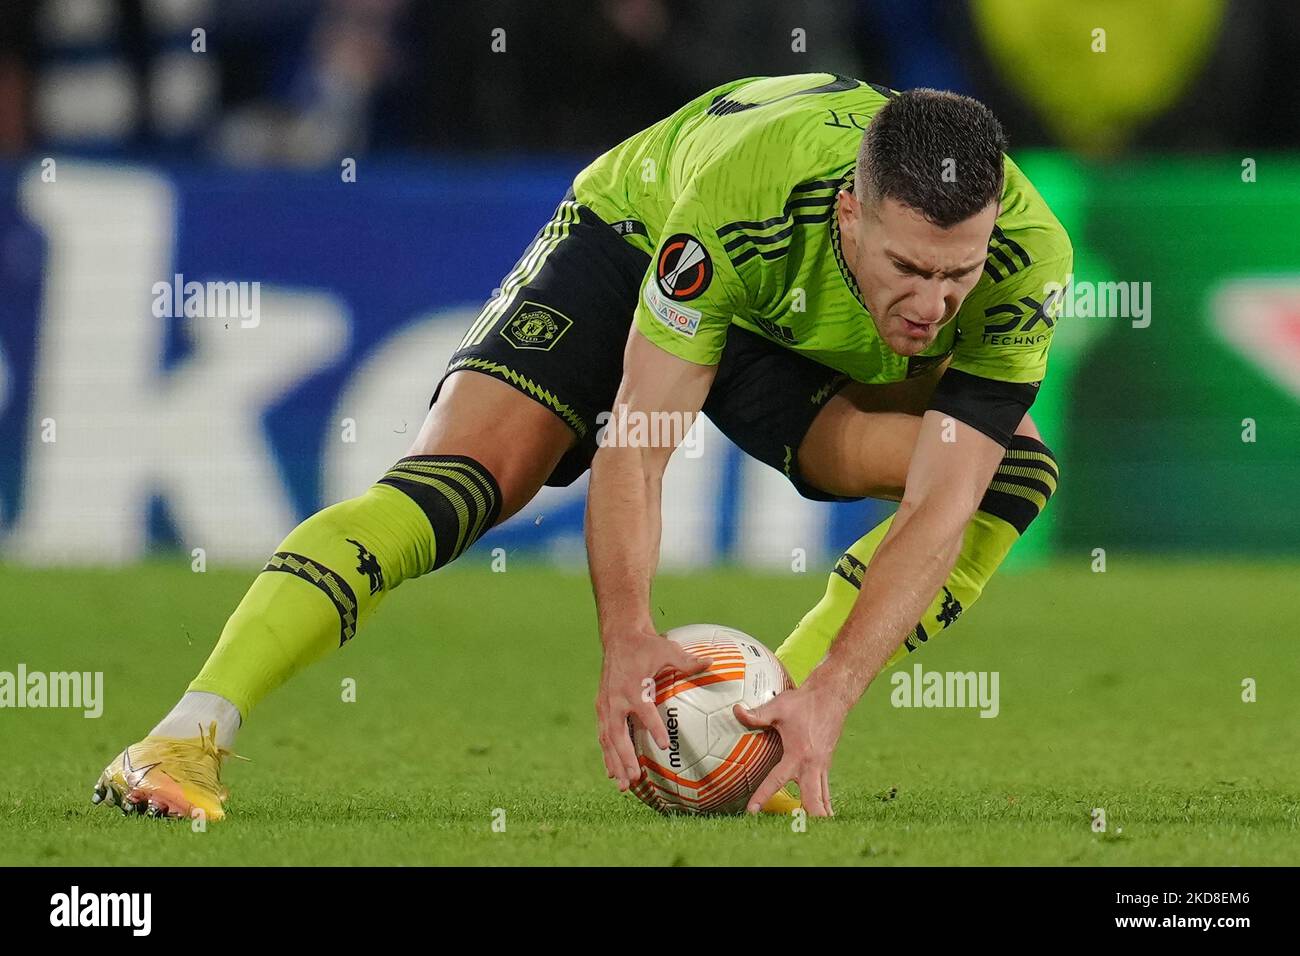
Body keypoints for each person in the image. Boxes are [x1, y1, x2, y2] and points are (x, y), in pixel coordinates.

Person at [93, 73, 1070, 821]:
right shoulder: (742, 202)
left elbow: (944, 496)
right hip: (632, 237)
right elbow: (638, 442)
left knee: (1006, 470)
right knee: (463, 485)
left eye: (957, 273)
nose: (933, 302)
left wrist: (829, 693)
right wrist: (627, 634)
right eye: (908, 264)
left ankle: (773, 739)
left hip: (799, 322)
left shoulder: (1029, 258)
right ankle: (183, 735)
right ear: (852, 212)